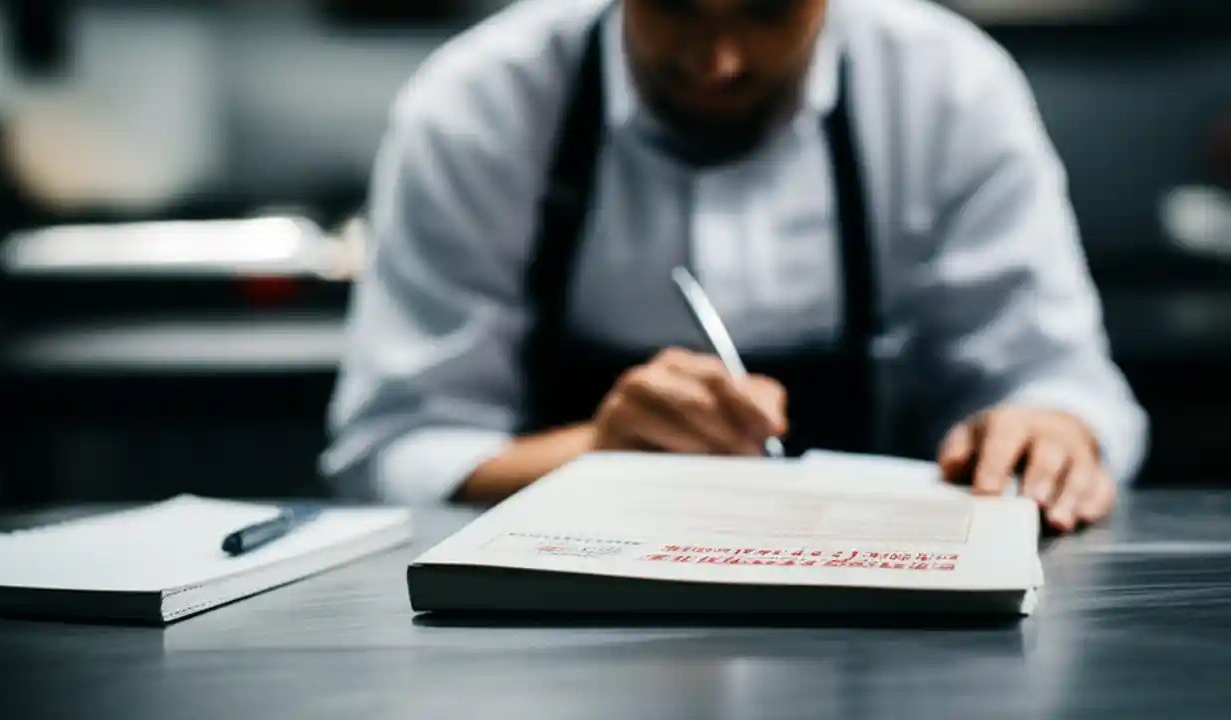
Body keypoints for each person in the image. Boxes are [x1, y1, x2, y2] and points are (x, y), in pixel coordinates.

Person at [323, 0, 1148, 532]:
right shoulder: (478, 108)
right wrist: (595, 455)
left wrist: (1052, 430)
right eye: (674, 5)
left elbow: (1064, 384)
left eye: (766, 9)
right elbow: (391, 449)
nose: (716, 61)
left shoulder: (948, 91)